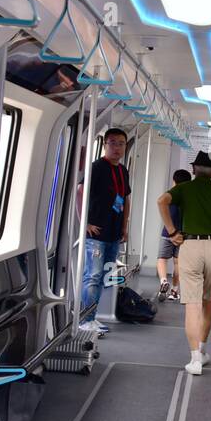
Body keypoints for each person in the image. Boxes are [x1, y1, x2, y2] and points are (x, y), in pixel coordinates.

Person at [158, 151, 211, 375]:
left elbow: (161, 201)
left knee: (192, 305)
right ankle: (202, 351)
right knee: (208, 304)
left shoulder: (183, 189)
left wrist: (172, 232)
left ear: (194, 170)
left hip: (190, 246)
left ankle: (194, 361)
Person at [78, 127, 130, 337]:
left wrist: (124, 227)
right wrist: (85, 223)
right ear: (105, 145)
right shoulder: (97, 167)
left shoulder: (122, 170)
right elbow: (80, 191)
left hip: (114, 232)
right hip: (97, 232)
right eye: (113, 143)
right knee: (93, 275)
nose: (117, 148)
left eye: (121, 144)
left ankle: (91, 317)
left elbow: (125, 199)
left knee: (103, 277)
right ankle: (84, 320)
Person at [158, 169, 192, 302]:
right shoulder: (189, 198)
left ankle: (163, 280)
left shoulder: (169, 195)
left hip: (167, 233)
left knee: (162, 259)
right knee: (177, 262)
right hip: (182, 235)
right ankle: (174, 290)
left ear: (174, 181)